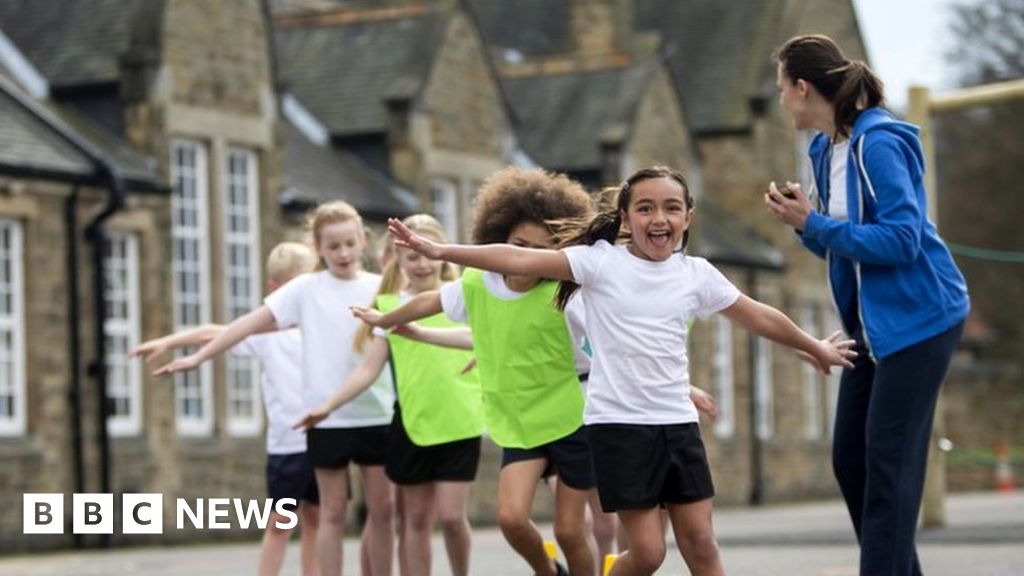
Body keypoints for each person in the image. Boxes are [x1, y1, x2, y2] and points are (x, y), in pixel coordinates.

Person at [382, 165, 857, 576]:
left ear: (687, 217)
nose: (659, 218)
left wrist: (811, 344)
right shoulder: (598, 264)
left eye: (672, 208)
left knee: (702, 545)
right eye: (645, 208)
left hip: (677, 426)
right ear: (626, 218)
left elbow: (758, 314)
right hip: (620, 428)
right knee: (647, 554)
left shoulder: (698, 275)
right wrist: (443, 252)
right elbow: (518, 257)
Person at [767, 34, 970, 576]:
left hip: (920, 320)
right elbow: (839, 241)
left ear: (803, 87)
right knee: (851, 460)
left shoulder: (878, 143)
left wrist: (815, 223)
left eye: (782, 87)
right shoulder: (821, 148)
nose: (780, 98)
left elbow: (901, 240)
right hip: (868, 326)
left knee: (887, 465)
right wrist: (803, 223)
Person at [353, 167, 597, 576]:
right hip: (519, 421)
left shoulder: (565, 296)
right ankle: (547, 571)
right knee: (511, 520)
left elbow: (608, 351)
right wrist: (383, 318)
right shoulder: (477, 284)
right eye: (519, 245)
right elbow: (427, 302)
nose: (524, 257)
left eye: (540, 250)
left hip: (572, 418)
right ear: (499, 238)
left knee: (572, 532)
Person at [156, 201, 396, 576]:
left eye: (350, 243)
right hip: (325, 420)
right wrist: (198, 357)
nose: (343, 253)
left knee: (383, 510)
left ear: (363, 240)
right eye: (333, 246)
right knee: (332, 513)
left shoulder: (382, 288)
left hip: (376, 413)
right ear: (318, 248)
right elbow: (247, 324)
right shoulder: (304, 289)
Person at [295, 214, 483, 576]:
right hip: (412, 423)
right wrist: (328, 406)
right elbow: (368, 369)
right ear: (398, 258)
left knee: (451, 517)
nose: (421, 263)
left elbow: (487, 340)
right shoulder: (388, 306)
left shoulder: (463, 296)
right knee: (415, 519)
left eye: (426, 254)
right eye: (411, 256)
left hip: (460, 421)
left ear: (440, 253)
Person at [132, 242, 321, 576]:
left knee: (318, 521)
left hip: (325, 440)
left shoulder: (322, 327)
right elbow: (213, 333)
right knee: (280, 524)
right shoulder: (265, 335)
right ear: (274, 290)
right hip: (286, 446)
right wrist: (169, 342)